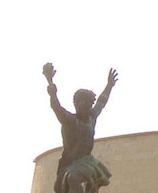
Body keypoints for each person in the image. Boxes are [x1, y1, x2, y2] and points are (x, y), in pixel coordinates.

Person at [45, 63, 117, 193]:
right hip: (69, 163)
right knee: (66, 182)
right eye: (81, 103)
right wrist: (50, 82)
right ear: (76, 104)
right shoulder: (70, 121)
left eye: (88, 104)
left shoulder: (91, 117)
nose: (85, 106)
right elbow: (56, 107)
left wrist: (109, 85)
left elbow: (101, 102)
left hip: (87, 161)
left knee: (73, 177)